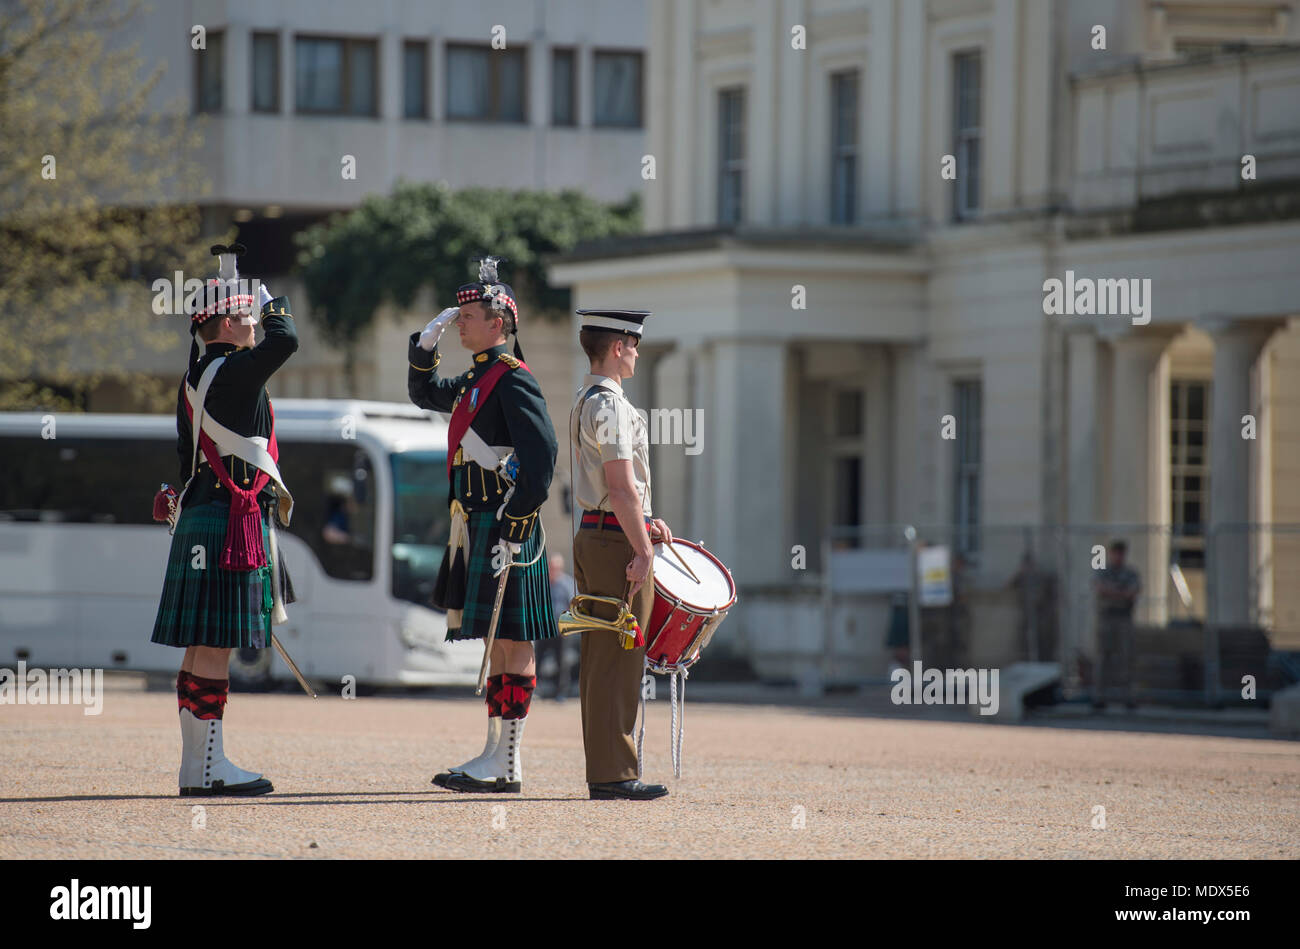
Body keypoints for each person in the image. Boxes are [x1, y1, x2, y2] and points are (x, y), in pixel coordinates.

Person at [150, 243, 297, 796]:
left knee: (199, 648)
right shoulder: (234, 369)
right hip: (229, 518)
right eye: (248, 317)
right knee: (213, 649)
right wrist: (274, 301)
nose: (256, 325)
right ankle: (208, 769)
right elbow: (288, 340)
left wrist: (250, 301)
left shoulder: (194, 377)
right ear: (226, 323)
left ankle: (197, 765)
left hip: (203, 515)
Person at [408, 257, 559, 794]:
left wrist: (516, 520)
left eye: (468, 315)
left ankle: (509, 762)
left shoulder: (513, 381)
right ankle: (494, 752)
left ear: (499, 323)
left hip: (505, 523)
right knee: (497, 645)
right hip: (476, 522)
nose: (459, 324)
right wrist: (425, 349)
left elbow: (542, 459)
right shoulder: (475, 379)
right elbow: (425, 395)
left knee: (513, 641)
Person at [569, 308, 672, 801]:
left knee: (603, 657)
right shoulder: (609, 406)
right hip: (615, 540)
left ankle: (608, 768)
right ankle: (613, 774)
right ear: (616, 347)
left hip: (601, 532)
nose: (636, 351)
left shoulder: (586, 399)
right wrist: (643, 549)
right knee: (619, 656)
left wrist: (645, 523)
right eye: (632, 343)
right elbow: (621, 487)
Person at [1093, 538, 1140, 711]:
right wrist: (1120, 592)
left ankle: (1129, 697)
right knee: (1103, 658)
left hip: (1124, 619)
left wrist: (1115, 592)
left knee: (1127, 657)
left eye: (1121, 554)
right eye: (1116, 553)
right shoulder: (1102, 571)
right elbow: (1100, 588)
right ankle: (1099, 697)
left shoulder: (1130, 573)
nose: (1118, 557)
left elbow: (1133, 592)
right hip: (1106, 618)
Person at [541, 552, 576, 699]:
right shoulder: (542, 583)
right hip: (544, 627)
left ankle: (561, 691)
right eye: (550, 567)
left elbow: (572, 606)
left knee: (562, 660)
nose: (552, 570)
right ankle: (537, 688)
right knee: (536, 657)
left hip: (561, 627)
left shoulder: (567, 583)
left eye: (555, 567)